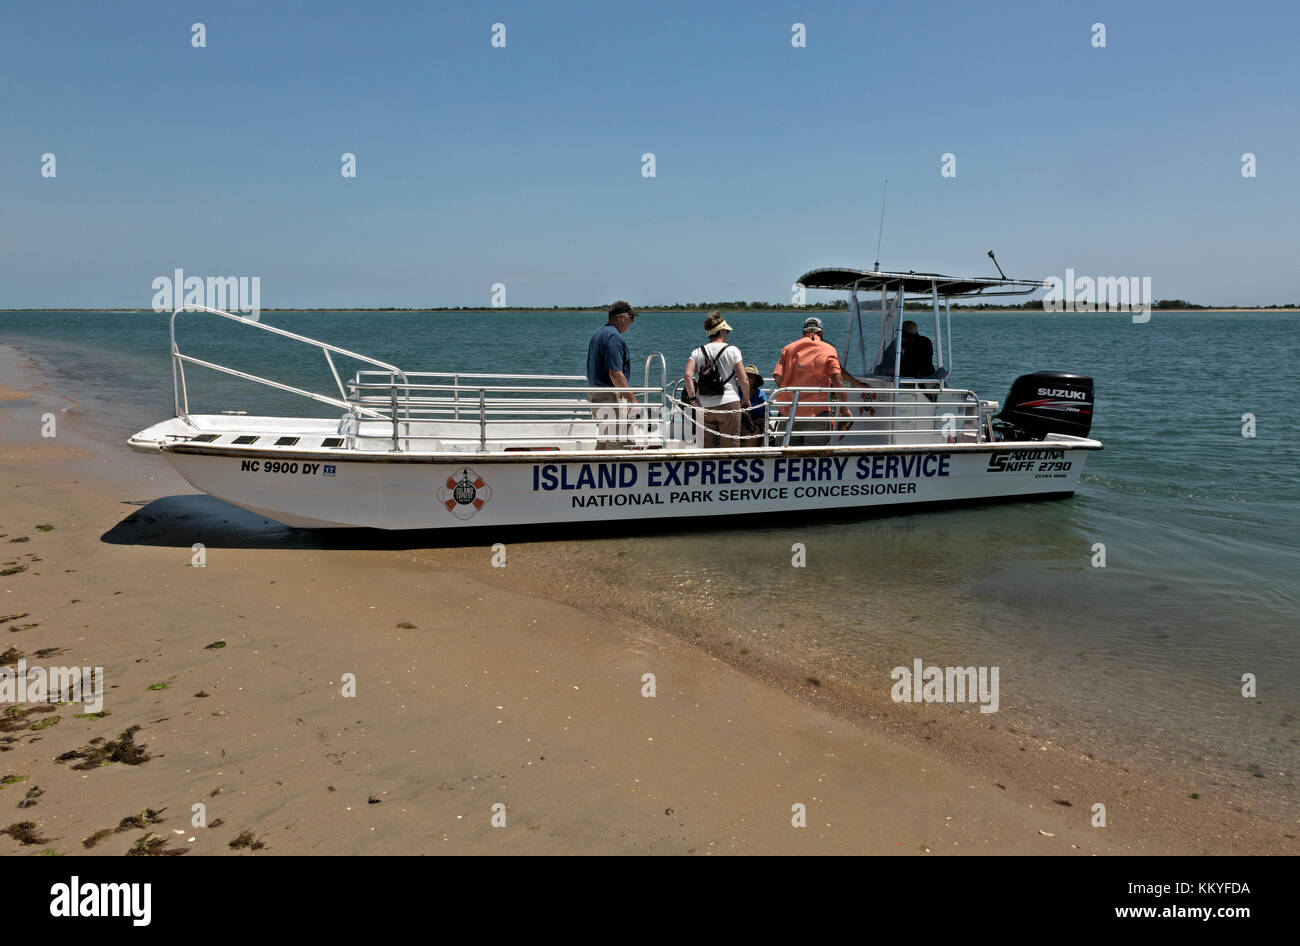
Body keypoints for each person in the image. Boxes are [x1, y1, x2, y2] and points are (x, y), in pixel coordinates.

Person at [771, 316, 844, 446]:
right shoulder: (829, 349)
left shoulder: (788, 349)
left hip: (788, 412)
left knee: (786, 457)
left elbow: (778, 378)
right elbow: (837, 378)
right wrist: (845, 408)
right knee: (816, 458)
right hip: (816, 413)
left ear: (803, 332)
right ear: (821, 332)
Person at [683, 312, 749, 449]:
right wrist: (746, 400)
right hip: (729, 403)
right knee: (730, 447)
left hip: (704, 405)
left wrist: (694, 401)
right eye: (727, 332)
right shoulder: (732, 350)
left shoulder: (697, 352)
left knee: (706, 448)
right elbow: (743, 379)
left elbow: (688, 376)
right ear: (722, 331)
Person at [587, 300, 638, 449]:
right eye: (631, 318)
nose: (632, 322)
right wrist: (632, 400)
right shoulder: (614, 338)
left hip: (596, 394)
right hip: (609, 396)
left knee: (604, 440)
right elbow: (615, 373)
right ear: (623, 317)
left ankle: (597, 470)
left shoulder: (599, 333)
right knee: (616, 444)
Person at [740, 364, 768, 445]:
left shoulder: (760, 394)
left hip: (758, 420)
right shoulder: (736, 392)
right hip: (742, 421)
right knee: (754, 430)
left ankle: (765, 452)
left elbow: (767, 413)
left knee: (767, 429)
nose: (747, 379)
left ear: (755, 380)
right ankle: (748, 455)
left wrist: (762, 420)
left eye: (750, 376)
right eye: (745, 376)